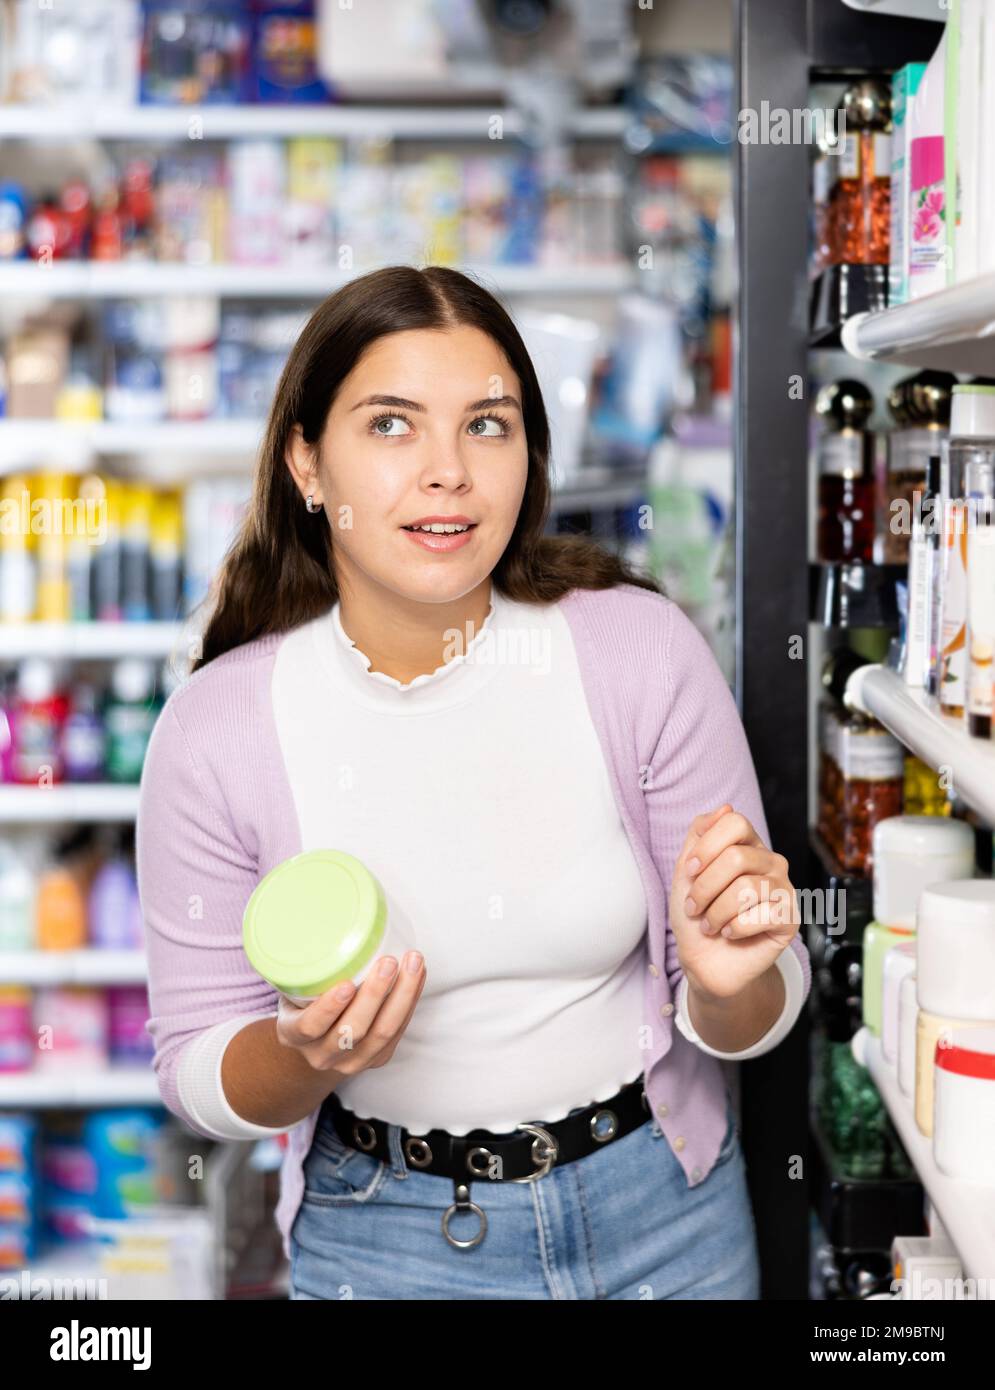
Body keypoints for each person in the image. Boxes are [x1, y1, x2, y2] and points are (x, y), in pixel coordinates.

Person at [136, 264, 810, 1301]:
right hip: (384, 1240)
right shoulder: (220, 728)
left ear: (529, 454)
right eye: (392, 425)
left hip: (663, 1216)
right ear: (306, 464)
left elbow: (750, 1001)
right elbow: (194, 1065)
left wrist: (731, 987)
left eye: (487, 425)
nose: (447, 471)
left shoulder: (635, 652)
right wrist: (305, 1056)